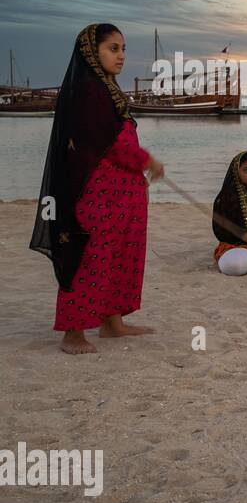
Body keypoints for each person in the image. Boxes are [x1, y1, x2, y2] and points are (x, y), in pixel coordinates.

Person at [30, 23, 165, 354]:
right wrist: (148, 160)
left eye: (123, 49)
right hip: (98, 191)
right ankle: (73, 333)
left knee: (121, 254)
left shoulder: (107, 88)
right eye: (113, 48)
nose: (121, 56)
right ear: (92, 51)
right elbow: (111, 143)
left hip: (124, 191)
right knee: (93, 257)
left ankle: (112, 321)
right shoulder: (87, 90)